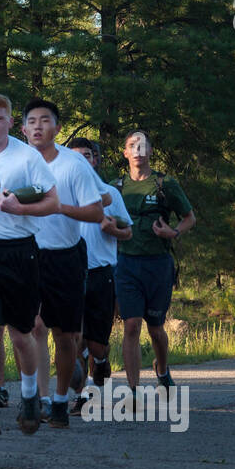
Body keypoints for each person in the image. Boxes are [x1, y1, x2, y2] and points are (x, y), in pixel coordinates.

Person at [0, 94, 59, 436]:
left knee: (22, 334)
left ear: (10, 122)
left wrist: (20, 209)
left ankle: (29, 396)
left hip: (21, 252)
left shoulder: (27, 156)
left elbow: (53, 201)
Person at [21, 99, 104, 428]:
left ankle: (59, 399)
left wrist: (58, 208)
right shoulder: (16, 160)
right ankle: (40, 399)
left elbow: (96, 212)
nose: (38, 126)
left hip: (66, 255)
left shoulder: (73, 165)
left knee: (64, 336)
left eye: (45, 121)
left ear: (56, 128)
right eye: (32, 121)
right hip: (27, 252)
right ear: (23, 128)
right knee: (33, 326)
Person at [115, 130, 196, 402]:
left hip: (158, 264)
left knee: (156, 328)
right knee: (131, 325)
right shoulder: (115, 187)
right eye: (132, 146)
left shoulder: (164, 184)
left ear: (150, 151)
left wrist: (173, 232)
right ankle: (133, 390)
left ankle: (162, 371)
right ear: (124, 152)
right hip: (125, 263)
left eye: (143, 145)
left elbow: (189, 218)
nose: (137, 150)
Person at [67, 138, 132, 414]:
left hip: (101, 273)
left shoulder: (109, 194)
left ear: (95, 160)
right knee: (73, 334)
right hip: (70, 271)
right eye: (75, 156)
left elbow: (127, 232)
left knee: (97, 343)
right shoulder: (61, 191)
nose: (81, 161)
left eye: (87, 156)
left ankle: (101, 361)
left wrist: (112, 230)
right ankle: (83, 395)